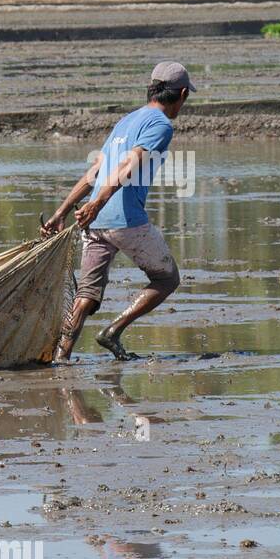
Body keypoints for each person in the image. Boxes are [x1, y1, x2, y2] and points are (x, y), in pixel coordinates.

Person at [41, 62, 195, 361]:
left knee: (86, 294)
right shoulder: (161, 125)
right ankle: (112, 331)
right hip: (125, 220)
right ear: (183, 94)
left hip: (95, 223)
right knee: (167, 279)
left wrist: (62, 210)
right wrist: (96, 204)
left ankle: (61, 356)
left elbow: (95, 171)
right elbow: (128, 166)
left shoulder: (125, 121)